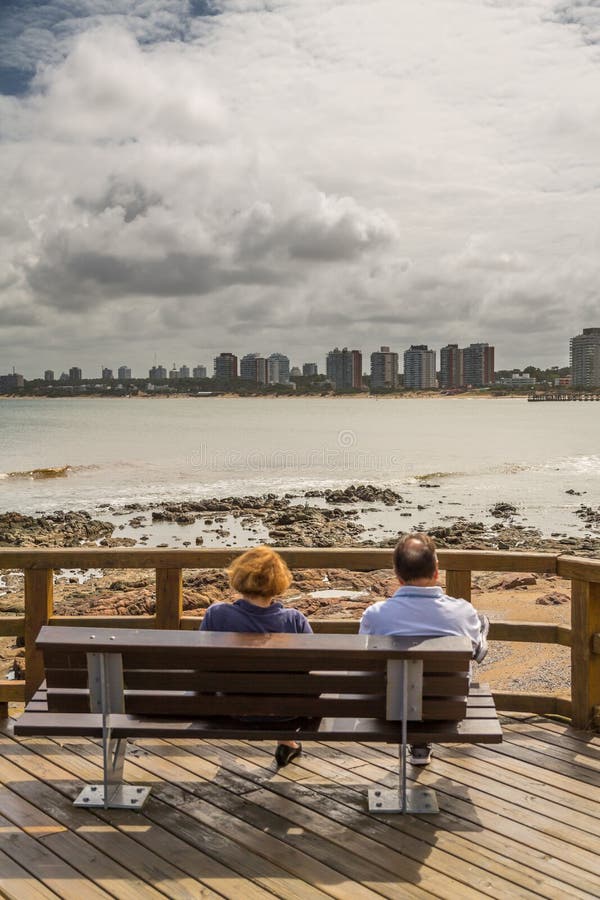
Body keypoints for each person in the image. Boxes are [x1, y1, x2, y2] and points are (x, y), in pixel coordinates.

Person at [359, 531, 489, 766]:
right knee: (477, 634)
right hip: (447, 706)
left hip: (388, 708)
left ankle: (418, 743)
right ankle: (422, 741)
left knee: (402, 679)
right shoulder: (462, 611)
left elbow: (364, 660)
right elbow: (477, 654)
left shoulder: (376, 615)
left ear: (397, 575)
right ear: (437, 571)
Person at [200, 545, 311, 767]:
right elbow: (311, 671)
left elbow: (202, 664)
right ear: (279, 581)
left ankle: (287, 741)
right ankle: (287, 741)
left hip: (232, 709)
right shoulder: (294, 620)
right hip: (286, 714)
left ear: (239, 577)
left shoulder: (217, 615)